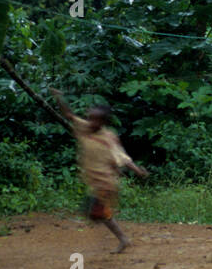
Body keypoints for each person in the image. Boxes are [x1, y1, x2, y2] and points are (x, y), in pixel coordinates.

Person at [51, 90, 148, 253]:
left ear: (102, 122)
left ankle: (122, 239)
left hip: (106, 182)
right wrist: (59, 97)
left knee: (96, 211)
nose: (90, 121)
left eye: (94, 119)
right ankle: (122, 238)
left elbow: (123, 157)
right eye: (89, 117)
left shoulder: (109, 137)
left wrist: (138, 171)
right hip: (94, 181)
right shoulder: (84, 128)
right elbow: (68, 114)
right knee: (98, 213)